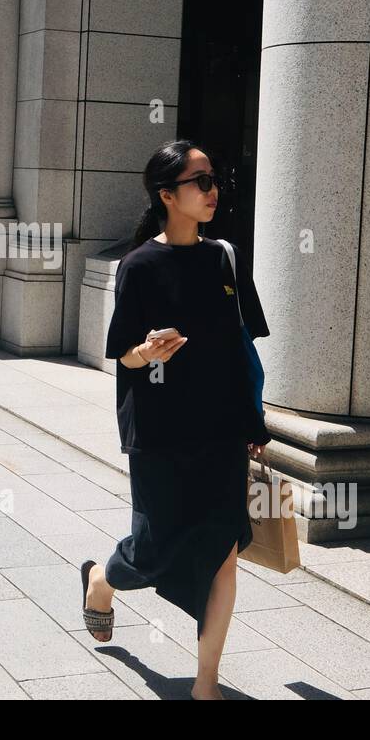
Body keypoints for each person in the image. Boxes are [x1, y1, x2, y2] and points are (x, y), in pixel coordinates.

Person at [80, 139, 272, 701]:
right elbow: (122, 352)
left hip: (220, 431)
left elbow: (241, 350)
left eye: (214, 180)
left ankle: (205, 685)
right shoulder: (139, 266)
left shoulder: (224, 259)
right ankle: (100, 579)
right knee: (155, 545)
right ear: (168, 195)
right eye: (200, 182)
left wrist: (254, 424)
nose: (213, 191)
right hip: (160, 431)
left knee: (222, 551)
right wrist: (149, 351)